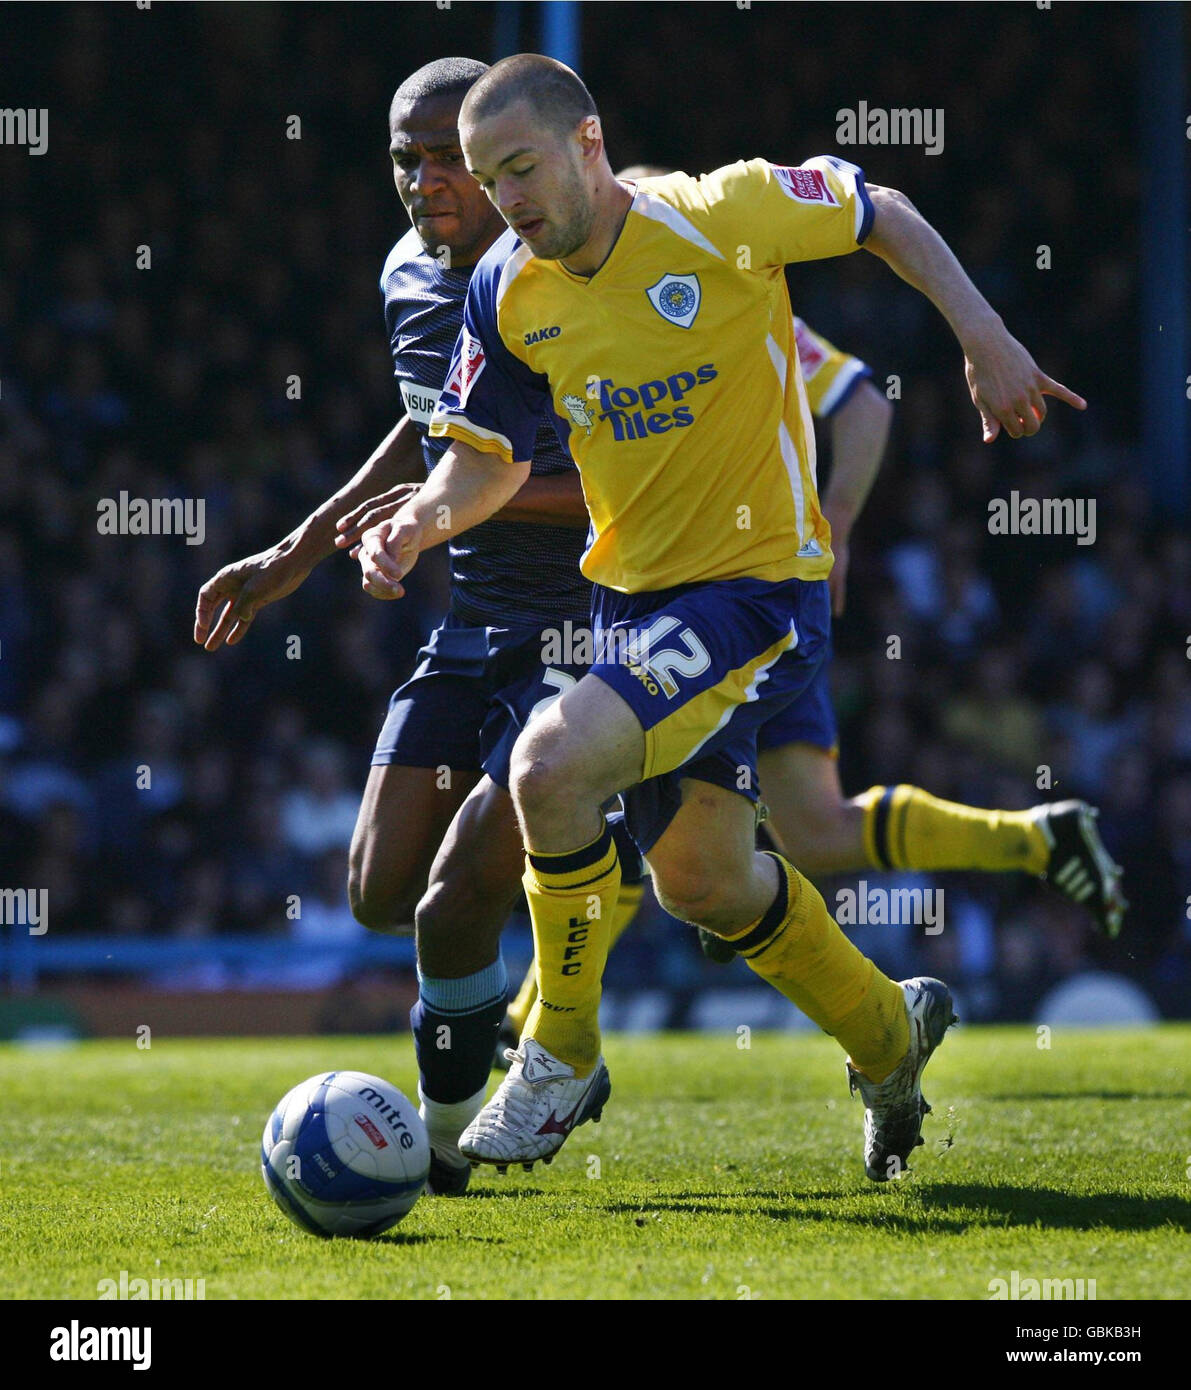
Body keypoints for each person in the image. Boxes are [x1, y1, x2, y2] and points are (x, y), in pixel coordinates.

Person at [356, 53, 1091, 1182]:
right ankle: (891, 1038)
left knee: (548, 766)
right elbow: (482, 464)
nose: (506, 198)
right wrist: (418, 524)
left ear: (588, 145)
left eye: (522, 167)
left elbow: (879, 210)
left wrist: (983, 338)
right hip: (631, 598)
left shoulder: (718, 212)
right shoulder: (508, 291)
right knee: (700, 882)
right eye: (490, 178)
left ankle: (558, 1047)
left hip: (756, 587)